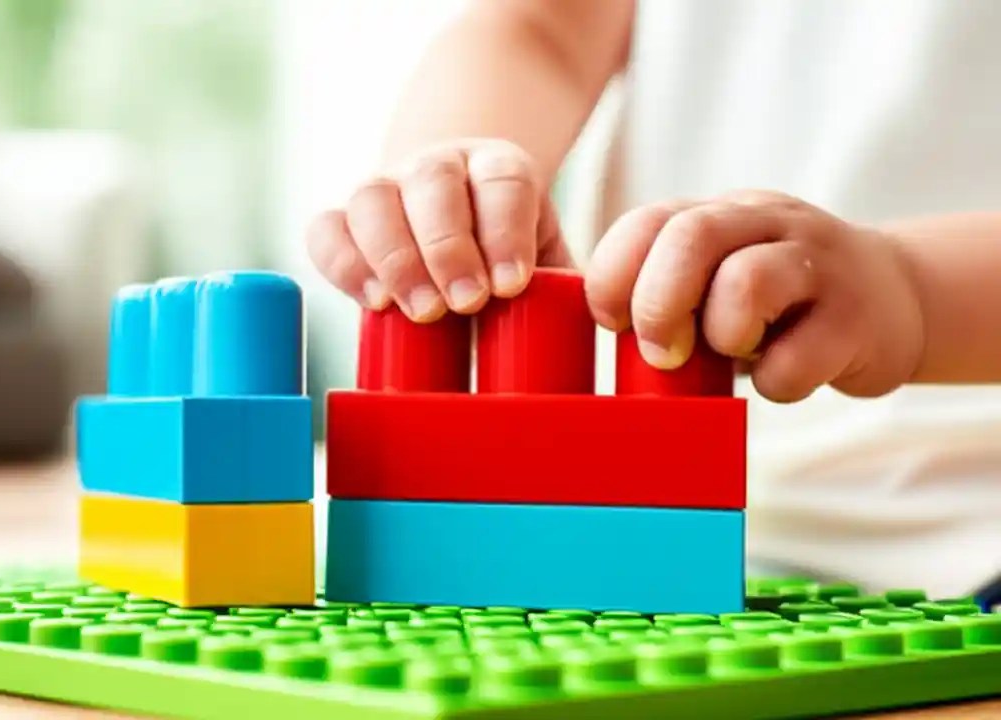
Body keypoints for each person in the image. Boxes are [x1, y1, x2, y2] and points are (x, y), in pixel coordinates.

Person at [304, 0, 1001, 602]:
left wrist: (911, 289)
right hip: (671, 527)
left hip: (979, 530)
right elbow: (539, 24)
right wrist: (459, 173)